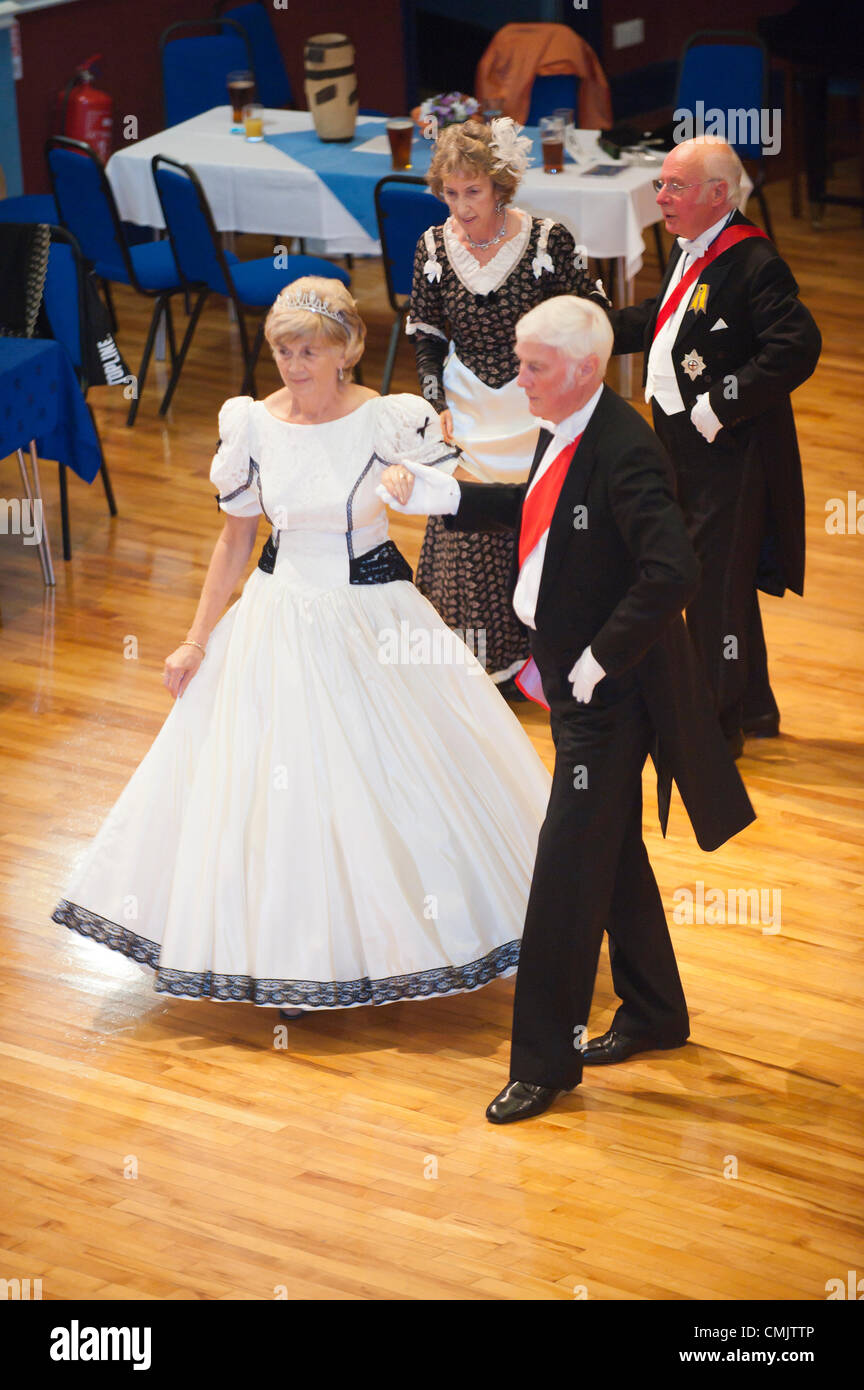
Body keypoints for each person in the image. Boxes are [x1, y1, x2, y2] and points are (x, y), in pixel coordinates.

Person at [51, 277, 551, 1014]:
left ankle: (395, 944)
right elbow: (234, 541)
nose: (293, 365)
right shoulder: (251, 424)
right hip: (276, 616)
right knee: (274, 790)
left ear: (346, 350)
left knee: (395, 782)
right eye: (283, 350)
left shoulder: (389, 421)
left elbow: (456, 499)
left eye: (308, 350)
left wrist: (435, 483)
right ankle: (292, 964)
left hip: (373, 615)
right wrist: (194, 641)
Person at [379, 295, 755, 1123]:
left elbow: (674, 572)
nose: (519, 379)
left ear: (583, 368)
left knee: (562, 874)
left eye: (532, 366)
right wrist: (453, 500)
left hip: (610, 696)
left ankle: (544, 1061)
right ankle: (655, 1010)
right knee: (610, 849)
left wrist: (596, 658)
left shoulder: (627, 451)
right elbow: (545, 511)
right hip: (583, 685)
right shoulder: (567, 422)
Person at [610, 136, 821, 754]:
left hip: (731, 450)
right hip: (682, 445)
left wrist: (721, 402)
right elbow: (665, 318)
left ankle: (713, 730)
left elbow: (796, 346)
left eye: (674, 186)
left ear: (717, 195)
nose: (662, 197)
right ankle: (750, 705)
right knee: (718, 583)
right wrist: (596, 325)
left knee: (706, 585)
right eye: (660, 185)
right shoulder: (692, 248)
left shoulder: (754, 261)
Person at [407, 116, 609, 697]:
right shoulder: (432, 248)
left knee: (547, 528)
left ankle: (547, 659)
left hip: (538, 410)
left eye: (473, 191)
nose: (462, 206)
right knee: (465, 524)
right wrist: (433, 398)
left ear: (500, 186)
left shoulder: (549, 241)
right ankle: (480, 667)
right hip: (467, 409)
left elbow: (590, 318)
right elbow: (426, 333)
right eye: (450, 192)